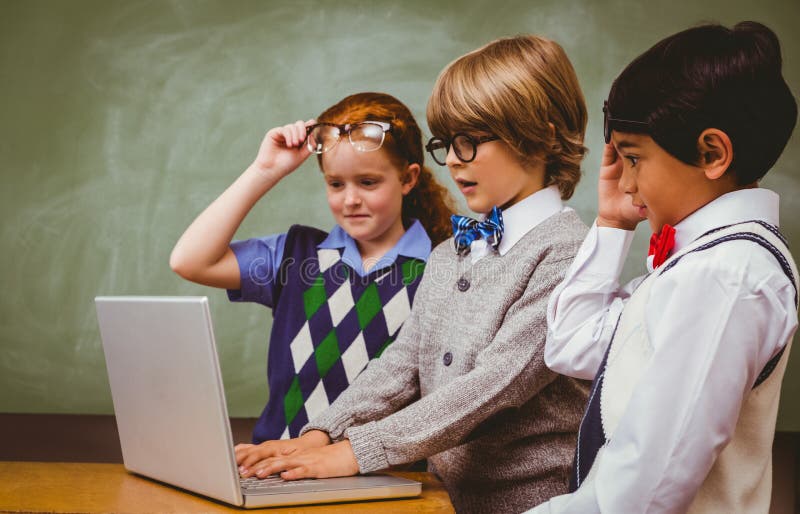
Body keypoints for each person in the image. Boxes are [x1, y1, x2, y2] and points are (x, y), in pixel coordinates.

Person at [234, 35, 591, 514]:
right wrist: (323, 432)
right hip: (441, 500)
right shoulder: (452, 253)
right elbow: (401, 364)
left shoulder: (568, 254)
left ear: (541, 136)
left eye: (471, 141)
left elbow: (492, 387)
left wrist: (357, 451)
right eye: (448, 144)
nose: (456, 160)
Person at [529, 21, 798, 513]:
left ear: (711, 153)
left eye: (633, 158)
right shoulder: (699, 262)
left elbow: (641, 489)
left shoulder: (724, 274)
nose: (625, 182)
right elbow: (571, 346)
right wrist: (611, 220)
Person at [170, 92, 456, 443]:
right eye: (336, 184)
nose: (350, 199)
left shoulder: (445, 269)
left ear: (408, 179)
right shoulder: (295, 255)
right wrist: (264, 170)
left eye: (368, 182)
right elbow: (189, 261)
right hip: (277, 469)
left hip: (385, 480)